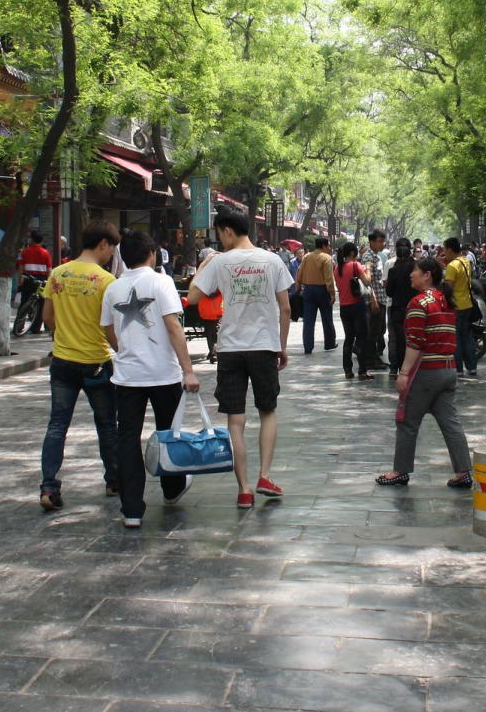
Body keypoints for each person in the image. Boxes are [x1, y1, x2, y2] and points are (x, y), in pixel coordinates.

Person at [188, 208, 291, 508]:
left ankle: (244, 489)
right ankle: (265, 476)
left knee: (235, 419)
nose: (220, 240)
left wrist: (204, 263)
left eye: (220, 234)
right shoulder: (272, 260)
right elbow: (285, 308)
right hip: (264, 347)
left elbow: (192, 297)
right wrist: (281, 346)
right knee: (267, 410)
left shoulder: (220, 262)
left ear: (227, 230)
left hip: (231, 349)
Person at [101, 231, 199, 527]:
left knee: (127, 438)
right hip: (163, 374)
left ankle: (131, 509)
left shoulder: (113, 288)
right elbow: (173, 326)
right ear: (152, 253)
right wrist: (188, 370)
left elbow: (107, 329)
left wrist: (124, 350)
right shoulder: (161, 282)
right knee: (168, 432)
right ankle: (172, 488)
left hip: (127, 376)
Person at [38, 219, 121, 510]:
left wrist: (64, 335)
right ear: (103, 244)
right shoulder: (106, 281)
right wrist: (121, 351)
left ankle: (49, 487)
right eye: (111, 248)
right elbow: (109, 328)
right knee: (107, 425)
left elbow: (47, 317)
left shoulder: (58, 273)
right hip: (96, 362)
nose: (111, 254)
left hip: (62, 361)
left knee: (57, 425)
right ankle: (113, 480)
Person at [376, 257, 472, 489]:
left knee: (407, 421)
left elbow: (415, 343)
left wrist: (404, 373)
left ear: (427, 275)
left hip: (426, 372)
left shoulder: (419, 303)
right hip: (448, 369)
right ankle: (463, 471)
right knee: (450, 423)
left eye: (416, 271)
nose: (411, 274)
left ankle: (400, 471)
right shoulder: (446, 301)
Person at [333, 242, 372, 381]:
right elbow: (367, 282)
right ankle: (362, 371)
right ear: (352, 253)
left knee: (349, 338)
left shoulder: (337, 268)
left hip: (344, 308)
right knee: (361, 339)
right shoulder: (355, 265)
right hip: (357, 306)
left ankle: (348, 370)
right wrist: (368, 269)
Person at [294, 237, 337, 354]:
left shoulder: (307, 257)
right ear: (323, 246)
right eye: (328, 245)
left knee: (308, 321)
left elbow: (299, 273)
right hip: (323, 291)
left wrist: (298, 288)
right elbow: (329, 279)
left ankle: (308, 347)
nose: (329, 247)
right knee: (327, 319)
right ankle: (329, 344)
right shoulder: (327, 258)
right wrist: (332, 294)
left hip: (308, 290)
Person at [443, 237, 477, 378]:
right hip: (467, 304)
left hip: (456, 306)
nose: (444, 252)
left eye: (445, 249)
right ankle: (472, 367)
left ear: (450, 249)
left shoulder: (452, 266)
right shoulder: (465, 261)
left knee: (456, 338)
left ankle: (458, 369)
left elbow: (448, 288)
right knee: (467, 336)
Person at [385, 239, 418, 380]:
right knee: (414, 339)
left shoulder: (393, 271)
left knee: (399, 340)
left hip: (398, 309)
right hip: (415, 309)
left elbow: (389, 292)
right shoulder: (416, 269)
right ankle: (414, 368)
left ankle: (400, 368)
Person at [360, 229, 388, 370]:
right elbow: (368, 281)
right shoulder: (368, 257)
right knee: (374, 331)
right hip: (374, 299)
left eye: (383, 241)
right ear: (371, 242)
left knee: (379, 330)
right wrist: (373, 300)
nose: (382, 244)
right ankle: (370, 359)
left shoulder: (376, 256)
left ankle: (373, 357)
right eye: (379, 241)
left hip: (381, 298)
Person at [17, 230, 52, 333]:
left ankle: (19, 326)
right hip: (41, 281)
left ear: (32, 239)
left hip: (28, 279)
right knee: (41, 304)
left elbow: (20, 269)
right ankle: (36, 328)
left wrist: (20, 282)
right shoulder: (46, 253)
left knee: (24, 302)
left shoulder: (24, 252)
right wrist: (49, 283)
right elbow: (49, 270)